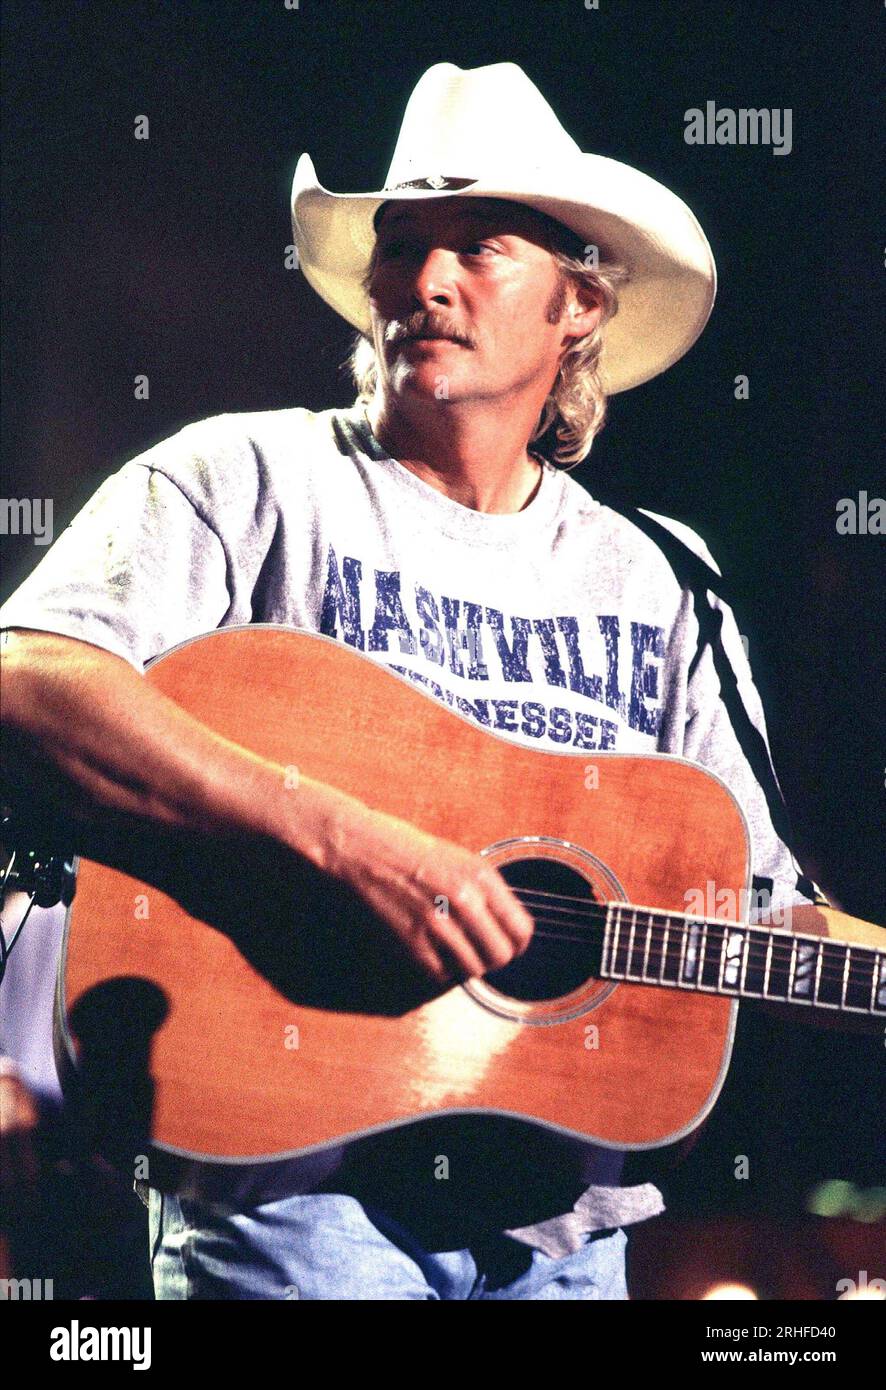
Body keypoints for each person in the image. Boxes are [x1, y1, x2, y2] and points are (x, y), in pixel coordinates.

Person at [0, 62, 846, 1301]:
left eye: (479, 246)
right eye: (402, 246)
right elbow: (26, 681)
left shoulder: (664, 575)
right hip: (291, 1202)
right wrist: (347, 846)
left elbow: (762, 911)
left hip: (570, 1236)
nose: (422, 282)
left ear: (578, 305)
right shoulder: (243, 481)